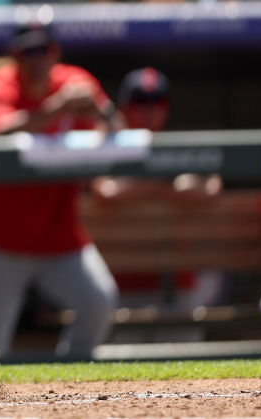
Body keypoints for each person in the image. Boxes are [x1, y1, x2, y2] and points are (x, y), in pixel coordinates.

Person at [0, 23, 118, 358]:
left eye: (42, 50)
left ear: (54, 53)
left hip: (58, 239)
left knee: (98, 301)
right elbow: (2, 130)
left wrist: (100, 115)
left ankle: (71, 385)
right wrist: (58, 107)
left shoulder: (76, 82)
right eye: (27, 52)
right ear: (14, 56)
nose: (36, 59)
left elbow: (116, 127)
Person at [89, 68, 224, 338]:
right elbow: (103, 191)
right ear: (126, 107)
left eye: (157, 102)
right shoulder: (110, 147)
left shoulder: (178, 147)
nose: (150, 110)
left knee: (187, 369)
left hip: (177, 281)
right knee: (120, 372)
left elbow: (213, 188)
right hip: (124, 283)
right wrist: (162, 188)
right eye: (141, 102)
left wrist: (173, 188)